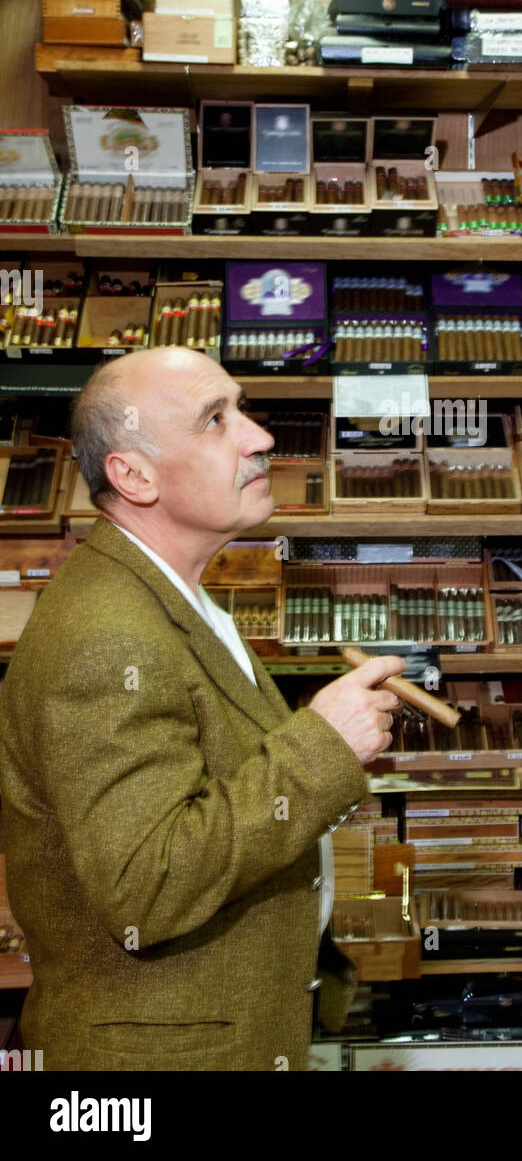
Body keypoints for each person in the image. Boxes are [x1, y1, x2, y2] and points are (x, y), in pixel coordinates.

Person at [0, 346, 403, 1071]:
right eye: (216, 420)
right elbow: (145, 888)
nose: (260, 437)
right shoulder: (106, 637)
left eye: (241, 408)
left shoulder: (169, 593)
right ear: (133, 475)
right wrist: (323, 746)